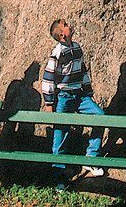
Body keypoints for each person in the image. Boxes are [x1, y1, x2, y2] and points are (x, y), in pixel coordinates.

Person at [41, 17, 105, 186]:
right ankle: (59, 177)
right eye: (66, 25)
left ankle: (91, 156)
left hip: (80, 96)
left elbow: (83, 72)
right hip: (64, 98)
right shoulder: (57, 52)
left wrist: (88, 92)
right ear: (62, 35)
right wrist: (49, 104)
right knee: (60, 135)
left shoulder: (77, 48)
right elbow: (48, 79)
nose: (70, 25)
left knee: (100, 116)